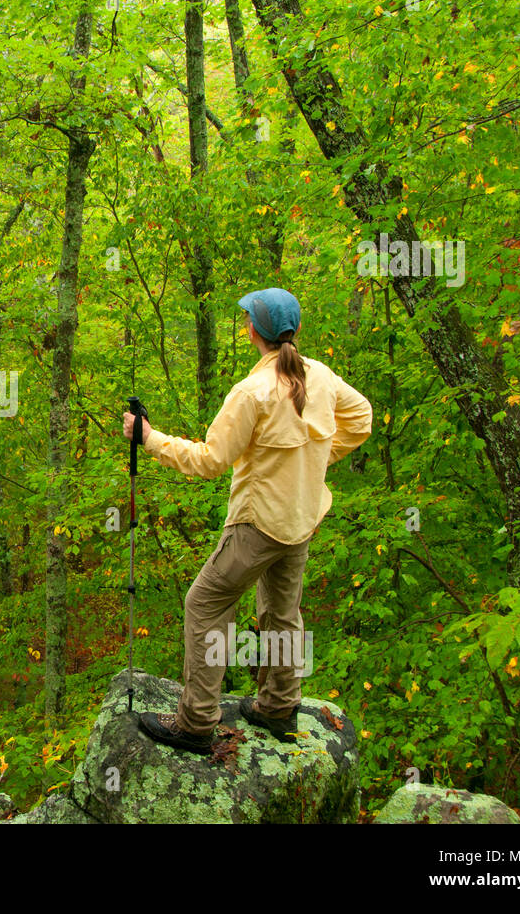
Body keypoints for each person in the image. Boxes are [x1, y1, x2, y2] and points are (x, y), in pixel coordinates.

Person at [121, 287, 372, 753]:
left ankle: (196, 722)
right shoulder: (321, 377)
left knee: (204, 605)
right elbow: (362, 419)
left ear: (253, 331)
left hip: (256, 526)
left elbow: (210, 461)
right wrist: (312, 463)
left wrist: (150, 438)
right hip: (300, 520)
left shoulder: (252, 392)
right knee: (282, 612)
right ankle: (278, 706)